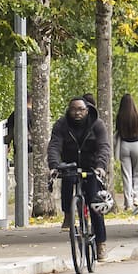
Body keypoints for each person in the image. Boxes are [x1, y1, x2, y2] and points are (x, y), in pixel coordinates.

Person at [48, 96, 112, 259]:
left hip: (91, 166)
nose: (77, 113)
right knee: (67, 180)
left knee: (95, 204)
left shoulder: (97, 125)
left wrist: (100, 167)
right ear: (69, 110)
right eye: (73, 109)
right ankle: (68, 214)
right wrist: (54, 166)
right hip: (70, 164)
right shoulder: (62, 125)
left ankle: (100, 243)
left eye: (81, 110)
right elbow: (55, 145)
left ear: (87, 110)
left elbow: (103, 147)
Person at [115, 93, 138, 210]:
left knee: (126, 175)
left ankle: (128, 203)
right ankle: (136, 197)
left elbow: (117, 131)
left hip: (124, 145)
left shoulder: (120, 117)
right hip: (137, 144)